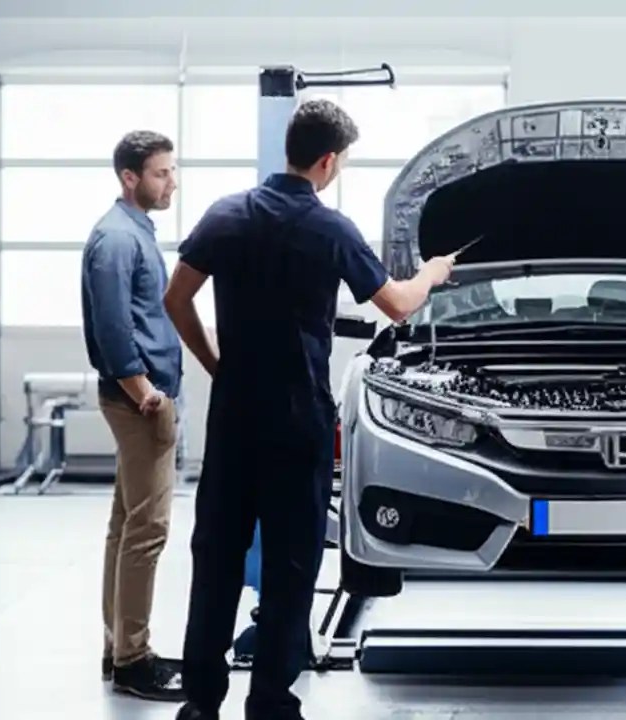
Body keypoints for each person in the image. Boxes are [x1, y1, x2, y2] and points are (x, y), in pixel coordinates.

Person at [163, 99, 456, 720]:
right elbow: (398, 304)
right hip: (298, 420)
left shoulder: (226, 214)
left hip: (235, 415)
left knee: (215, 555)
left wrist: (218, 364)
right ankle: (269, 701)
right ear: (328, 160)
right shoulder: (331, 229)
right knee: (294, 562)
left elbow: (176, 298)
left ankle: (200, 701)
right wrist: (432, 271)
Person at [81, 129, 186, 702]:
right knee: (148, 531)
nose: (172, 182)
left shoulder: (135, 231)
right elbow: (114, 327)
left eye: (172, 171)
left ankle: (119, 645)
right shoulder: (117, 239)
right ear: (130, 177)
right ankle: (133, 660)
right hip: (138, 401)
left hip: (140, 395)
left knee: (125, 527)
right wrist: (145, 391)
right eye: (161, 173)